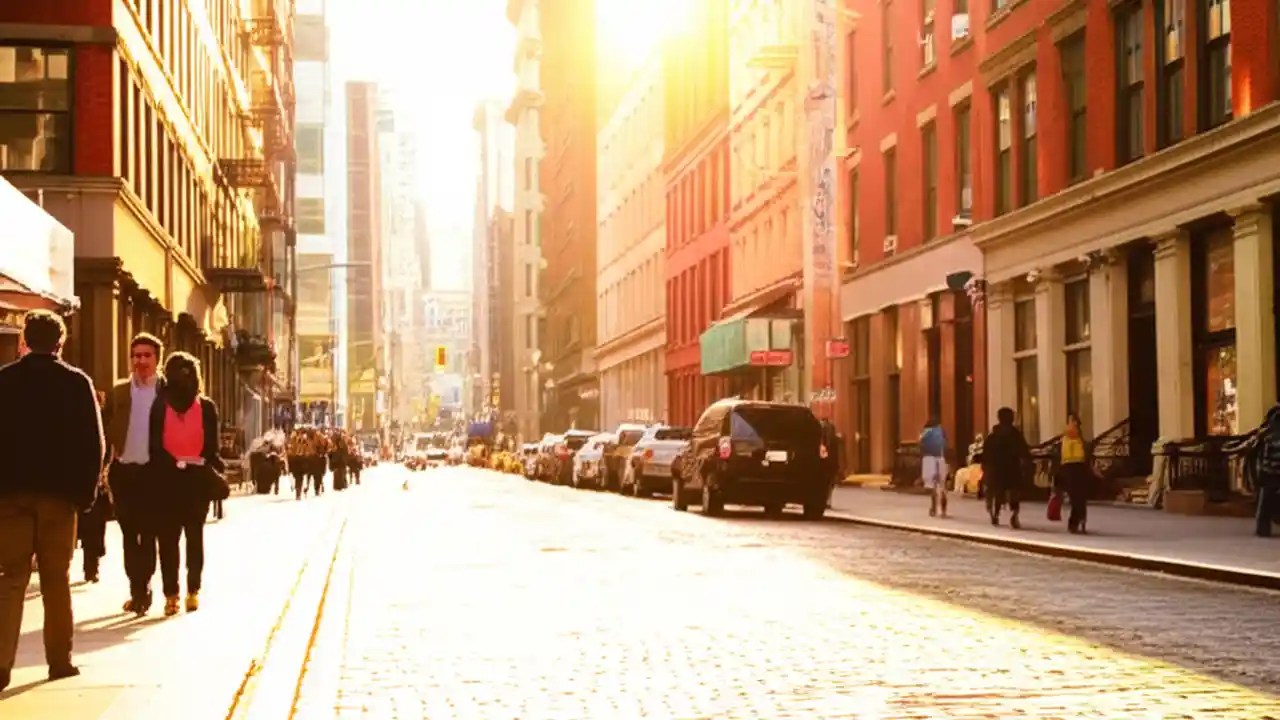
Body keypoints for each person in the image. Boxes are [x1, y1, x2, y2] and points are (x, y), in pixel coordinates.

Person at [0, 310, 104, 690]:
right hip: (60, 499)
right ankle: (59, 661)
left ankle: (1, 664)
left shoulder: (4, 381)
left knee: (11, 579)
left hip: (10, 497)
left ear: (24, 340)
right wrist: (87, 493)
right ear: (61, 342)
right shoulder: (76, 383)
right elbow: (94, 443)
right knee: (56, 580)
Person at [148, 352, 223, 617]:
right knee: (180, 539)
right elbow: (211, 448)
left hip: (188, 481)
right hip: (177, 480)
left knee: (180, 539)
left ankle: (183, 592)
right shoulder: (161, 405)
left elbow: (211, 446)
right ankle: (180, 592)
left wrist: (182, 463)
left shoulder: (204, 407)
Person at [102, 333, 165, 615]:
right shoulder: (119, 392)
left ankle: (146, 585)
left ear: (157, 360)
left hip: (153, 474)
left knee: (149, 533)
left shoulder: (166, 392)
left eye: (146, 356)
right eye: (136, 355)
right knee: (129, 533)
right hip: (124, 471)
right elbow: (105, 428)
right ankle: (135, 589)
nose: (140, 361)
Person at [981, 406, 1031, 529]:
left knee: (998, 493)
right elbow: (1023, 450)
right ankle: (1014, 514)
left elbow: (986, 453)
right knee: (1014, 493)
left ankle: (995, 514)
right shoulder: (1015, 434)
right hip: (1012, 469)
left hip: (996, 470)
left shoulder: (993, 436)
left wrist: (985, 467)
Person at [1057, 413, 1092, 534]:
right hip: (1073, 469)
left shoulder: (1076, 439)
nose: (1073, 424)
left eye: (1074, 421)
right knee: (1077, 498)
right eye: (1071, 421)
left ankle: (1077, 521)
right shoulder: (1068, 439)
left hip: (1075, 469)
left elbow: (1085, 456)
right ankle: (1077, 520)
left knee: (1078, 497)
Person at [1254, 404, 1280, 537]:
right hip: (1271, 472)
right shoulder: (1267, 436)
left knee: (1265, 502)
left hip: (1269, 472)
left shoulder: (1266, 435)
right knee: (1265, 501)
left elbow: (1260, 456)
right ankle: (1263, 528)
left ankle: (1263, 529)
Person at [920, 416, 948, 517]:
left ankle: (933, 508)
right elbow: (945, 444)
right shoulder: (942, 431)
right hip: (940, 458)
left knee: (932, 487)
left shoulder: (926, 432)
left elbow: (920, 443)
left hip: (929, 458)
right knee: (942, 485)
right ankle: (944, 509)